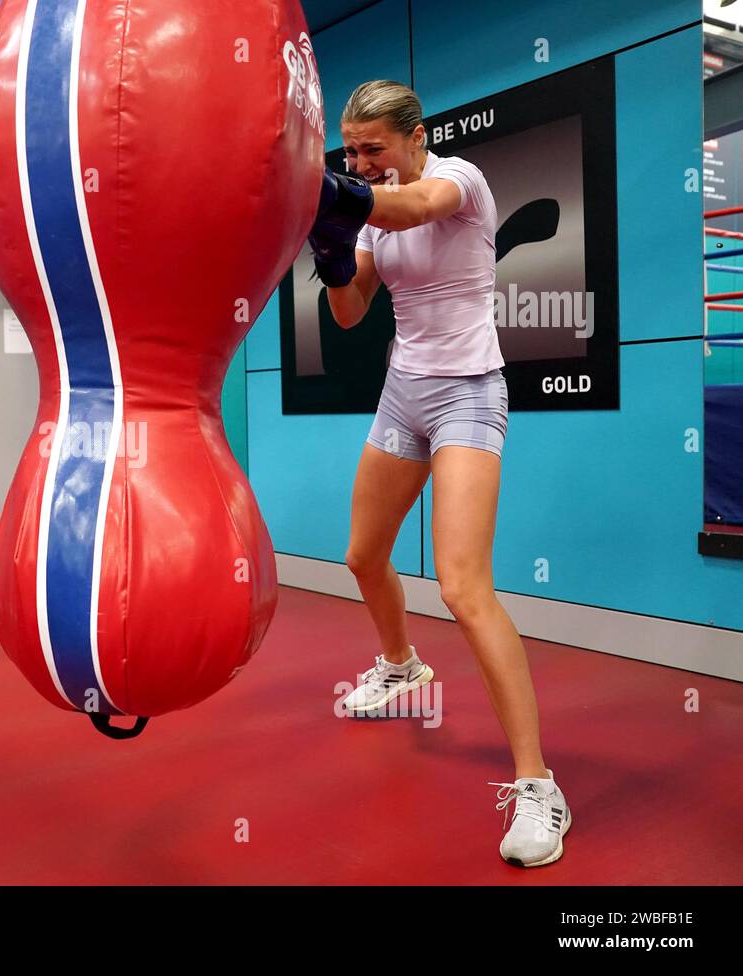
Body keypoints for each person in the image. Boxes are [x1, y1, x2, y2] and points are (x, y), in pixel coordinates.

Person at [310, 80, 570, 867]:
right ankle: (401, 668)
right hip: (403, 395)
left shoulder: (456, 181)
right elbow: (352, 312)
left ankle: (538, 787)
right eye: (350, 152)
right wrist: (330, 253)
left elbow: (414, 208)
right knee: (362, 556)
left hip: (467, 395)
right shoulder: (373, 206)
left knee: (461, 585)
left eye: (373, 149)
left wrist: (327, 192)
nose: (361, 163)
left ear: (416, 136)